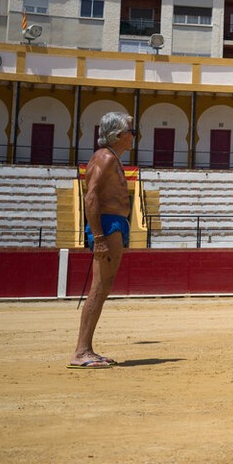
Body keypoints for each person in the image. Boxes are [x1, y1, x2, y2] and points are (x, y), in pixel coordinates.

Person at [68, 112, 135, 369]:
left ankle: (87, 349)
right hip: (107, 224)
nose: (133, 136)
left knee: (103, 288)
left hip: (114, 223)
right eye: (131, 131)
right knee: (98, 288)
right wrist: (98, 236)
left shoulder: (111, 158)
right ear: (118, 135)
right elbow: (91, 196)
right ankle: (81, 351)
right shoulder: (105, 157)